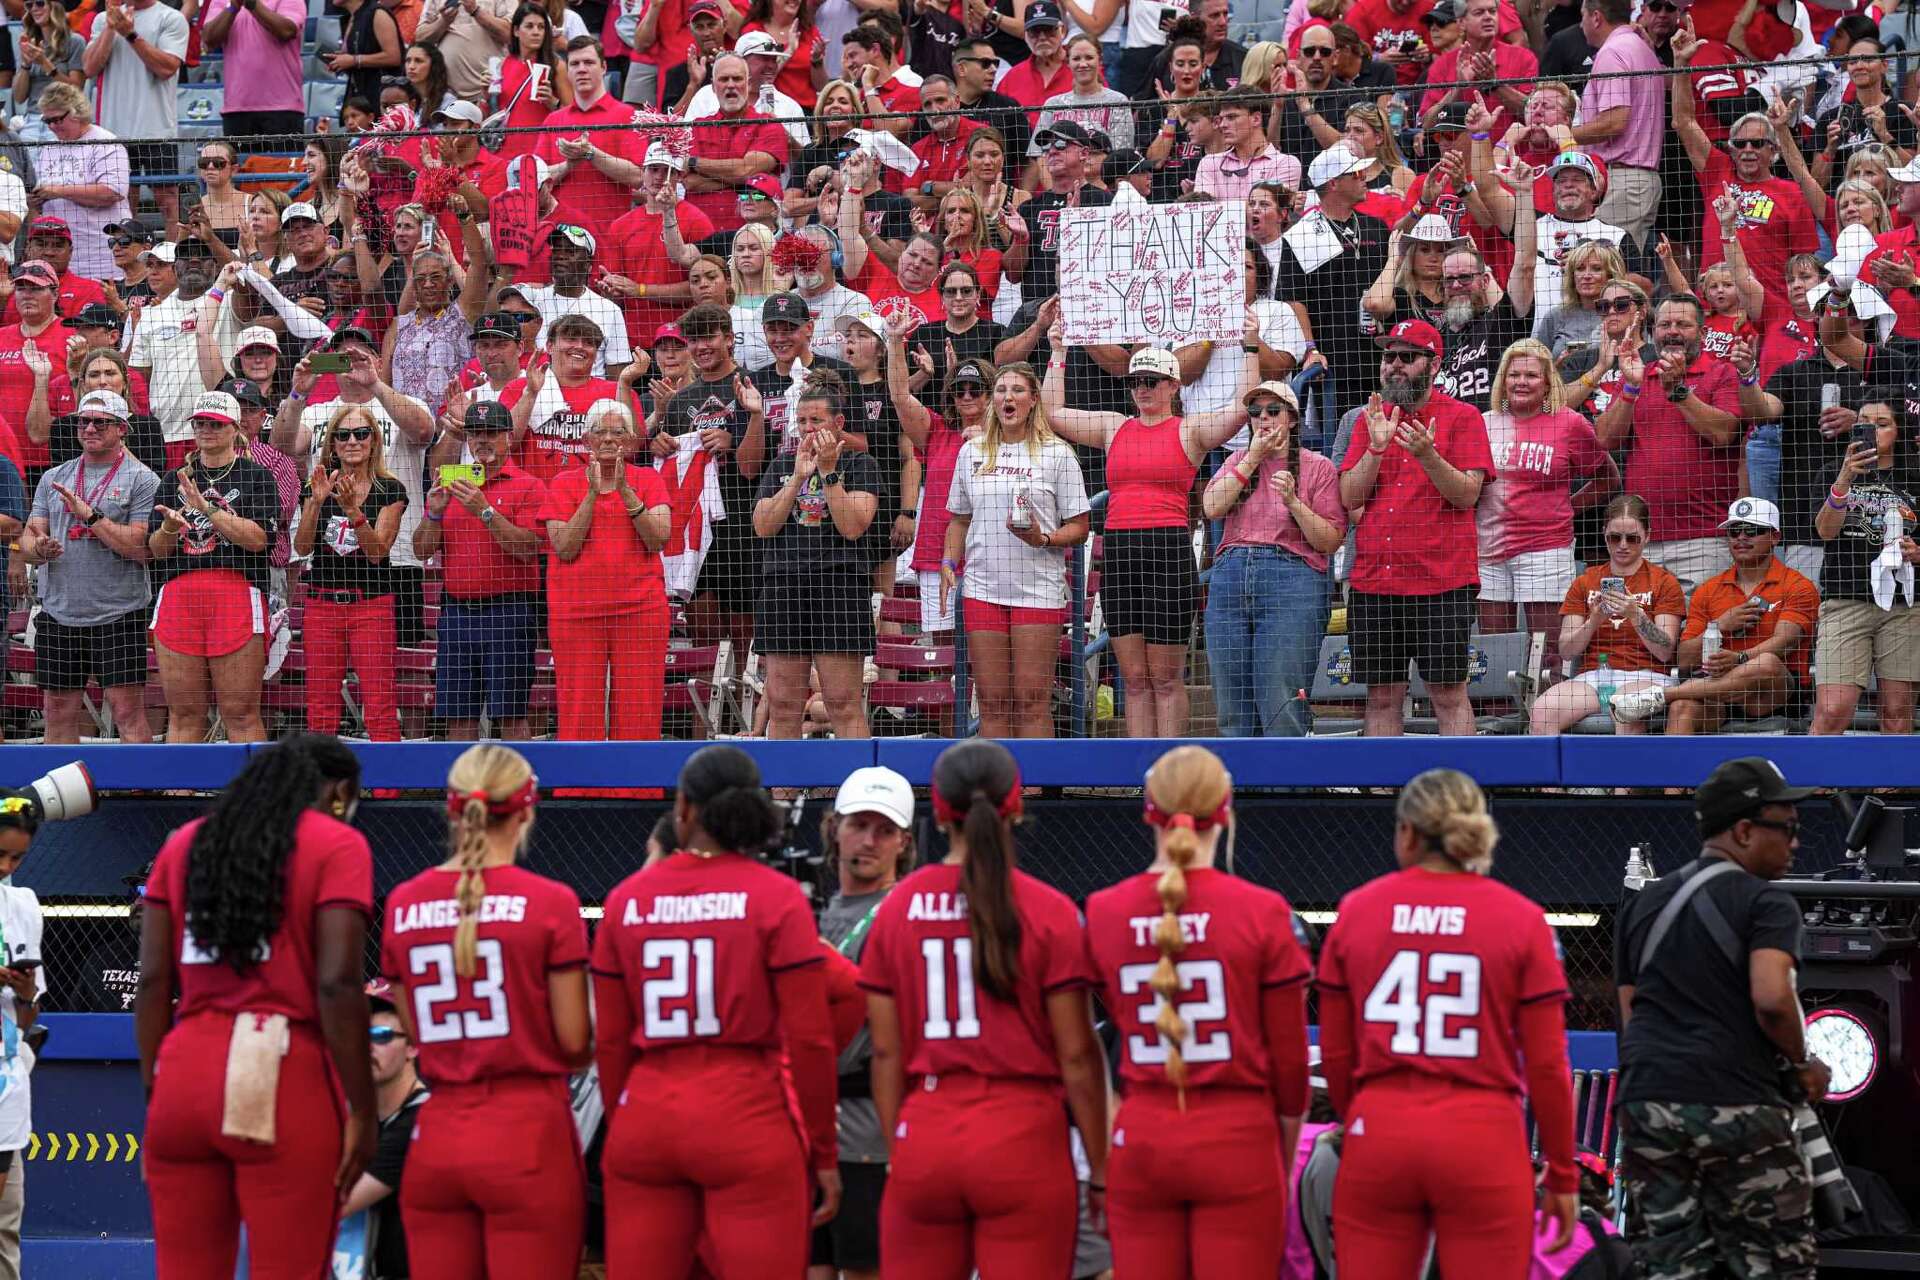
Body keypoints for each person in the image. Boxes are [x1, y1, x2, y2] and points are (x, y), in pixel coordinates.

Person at [859, 739, 1109, 1280]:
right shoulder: (1050, 910)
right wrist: (1103, 1169)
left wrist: (902, 1140)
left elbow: (885, 1050)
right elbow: (1079, 1057)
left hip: (928, 1126)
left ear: (939, 811)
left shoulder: (898, 905)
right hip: (1025, 1138)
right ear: (1015, 808)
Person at [1317, 767, 1579, 1276]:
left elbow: (1337, 1052)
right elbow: (1548, 1066)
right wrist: (1564, 1174)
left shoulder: (1357, 909)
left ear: (1408, 832)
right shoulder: (1521, 919)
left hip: (1382, 1129)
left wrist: (1363, 1117)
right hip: (1482, 1135)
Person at [592, 745, 840, 1278]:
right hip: (747, 1113)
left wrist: (624, 1120)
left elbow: (610, 1042)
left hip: (648, 1113)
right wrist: (822, 1150)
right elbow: (812, 1038)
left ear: (683, 809)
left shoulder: (626, 899)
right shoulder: (776, 896)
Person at [136, 736, 379, 1279]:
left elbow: (153, 980)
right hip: (280, 1067)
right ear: (337, 790)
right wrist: (363, 1109)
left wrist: (157, 1083)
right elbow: (338, 984)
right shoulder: (335, 844)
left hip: (184, 1067)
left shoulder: (185, 843)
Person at [1082, 744, 1311, 1276]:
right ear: (1226, 813)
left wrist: (1109, 1137)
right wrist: (1279, 1157)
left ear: (1148, 810)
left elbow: (1078, 1048)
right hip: (1238, 1137)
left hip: (1142, 1135)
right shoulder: (1264, 912)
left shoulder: (1103, 910)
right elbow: (1292, 1068)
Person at [378, 744, 589, 1279]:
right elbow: (574, 1043)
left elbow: (416, 1029)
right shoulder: (550, 902)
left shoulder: (404, 903)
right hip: (528, 1135)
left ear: (452, 810)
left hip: (439, 1132)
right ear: (526, 810)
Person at [1613, 757, 1825, 1279]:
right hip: (1737, 1100)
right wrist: (1802, 1063)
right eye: (1788, 828)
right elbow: (1773, 998)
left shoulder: (1645, 903)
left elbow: (1629, 1011)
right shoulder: (1766, 905)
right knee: (1772, 1263)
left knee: (1670, 1264)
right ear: (1745, 830)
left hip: (1648, 1102)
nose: (1796, 843)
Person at [1043, 331, 1258, 737]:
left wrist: (1248, 346)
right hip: (1121, 552)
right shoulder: (1114, 426)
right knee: (1135, 677)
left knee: (1164, 677)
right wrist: (1057, 351)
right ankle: (1138, 771)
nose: (1141, 389)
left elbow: (1241, 407)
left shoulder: (1188, 430)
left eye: (1151, 381)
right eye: (1135, 381)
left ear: (1174, 385)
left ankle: (1168, 772)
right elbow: (1054, 412)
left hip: (1167, 551)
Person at [1339, 320, 1493, 736]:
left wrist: (1427, 454)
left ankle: (1458, 796)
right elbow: (1350, 495)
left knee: (1447, 693)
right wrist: (1375, 446)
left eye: (1408, 357)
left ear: (1435, 363)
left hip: (1440, 582)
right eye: (1389, 356)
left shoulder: (1463, 417)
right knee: (1382, 695)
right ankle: (1382, 795)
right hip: (1376, 582)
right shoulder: (1368, 420)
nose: (1394, 366)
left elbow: (1466, 495)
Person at [938, 351, 1090, 738]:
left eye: (1018, 390)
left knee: (1031, 699)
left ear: (1033, 399)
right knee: (991, 700)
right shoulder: (972, 452)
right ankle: (998, 792)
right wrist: (947, 564)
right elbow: (958, 518)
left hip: (1037, 591)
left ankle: (1038, 791)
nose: (1009, 397)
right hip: (983, 589)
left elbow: (1080, 527)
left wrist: (1044, 539)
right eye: (1001, 390)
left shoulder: (1058, 454)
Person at [1201, 381, 1347, 738]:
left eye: (1272, 411)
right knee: (1232, 705)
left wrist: (1294, 503)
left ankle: (1285, 792)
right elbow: (1211, 507)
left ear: (1293, 419)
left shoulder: (1318, 466)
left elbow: (1329, 540)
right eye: (1255, 412)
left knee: (1281, 699)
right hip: (1231, 578)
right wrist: (1252, 457)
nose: (1262, 419)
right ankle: (1242, 792)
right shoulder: (1239, 459)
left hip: (1291, 580)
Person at [818, 766, 916, 1280]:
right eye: (859, 824)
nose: (869, 840)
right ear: (834, 827)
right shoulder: (811, 907)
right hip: (810, 1123)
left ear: (904, 841)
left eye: (884, 830)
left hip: (869, 1127)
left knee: (865, 1270)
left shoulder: (908, 911)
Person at [20, 389, 159, 744]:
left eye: (101, 422)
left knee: (126, 710)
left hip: (119, 613)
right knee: (57, 710)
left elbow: (141, 549)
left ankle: (142, 792)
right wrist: (40, 547)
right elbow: (28, 538)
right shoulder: (54, 476)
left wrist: (91, 516)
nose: (90, 428)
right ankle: (60, 794)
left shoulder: (143, 479)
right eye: (84, 421)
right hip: (60, 611)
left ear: (122, 428)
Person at [1612, 498, 1821, 733]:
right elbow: (1685, 660)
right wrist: (1719, 625)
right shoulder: (1709, 589)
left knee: (1767, 662)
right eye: (1734, 531)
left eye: (1752, 530)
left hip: (1771, 696)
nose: (1741, 538)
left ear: (1775, 537)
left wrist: (1739, 658)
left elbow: (1785, 643)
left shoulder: (1798, 586)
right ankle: (1673, 768)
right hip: (1715, 694)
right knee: (1683, 707)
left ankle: (1663, 695)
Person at [145, 391, 280, 744]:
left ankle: (256, 798)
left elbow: (259, 540)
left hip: (234, 592)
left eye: (215, 424)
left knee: (240, 713)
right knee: (185, 713)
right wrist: (170, 528)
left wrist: (206, 508)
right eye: (200, 423)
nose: (206, 429)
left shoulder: (257, 478)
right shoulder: (173, 479)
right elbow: (156, 551)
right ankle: (179, 793)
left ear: (235, 429)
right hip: (180, 593)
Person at [752, 370, 878, 738]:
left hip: (838, 587)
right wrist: (796, 477)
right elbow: (763, 525)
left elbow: (853, 526)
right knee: (783, 703)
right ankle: (783, 791)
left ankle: (855, 792)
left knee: (841, 702)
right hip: (783, 587)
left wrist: (827, 473)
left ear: (838, 423)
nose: (808, 429)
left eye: (816, 421)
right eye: (802, 421)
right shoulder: (781, 466)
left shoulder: (859, 465)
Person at [1594, 294, 1743, 595]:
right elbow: (1605, 439)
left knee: (1699, 637)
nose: (1672, 331)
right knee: (1639, 635)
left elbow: (1723, 433)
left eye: (1682, 324)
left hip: (1703, 540)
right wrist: (1631, 388)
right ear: (1653, 333)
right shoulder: (1638, 376)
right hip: (1641, 542)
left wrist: (1678, 391)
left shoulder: (1722, 373)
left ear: (1702, 333)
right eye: (1664, 325)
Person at [414, 400, 545, 742]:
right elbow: (421, 550)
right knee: (458, 718)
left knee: (511, 716)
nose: (482, 441)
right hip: (457, 613)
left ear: (508, 436)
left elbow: (529, 547)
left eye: (491, 433)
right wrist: (434, 513)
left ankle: (519, 793)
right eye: (476, 433)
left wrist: (484, 510)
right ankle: (464, 793)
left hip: (509, 612)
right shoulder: (451, 483)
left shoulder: (529, 485)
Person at [542, 399, 673, 741]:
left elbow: (659, 538)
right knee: (578, 704)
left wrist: (626, 492)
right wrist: (591, 493)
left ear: (631, 442)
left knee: (640, 702)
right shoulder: (563, 483)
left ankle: (638, 788)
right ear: (586, 440)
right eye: (600, 431)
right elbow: (565, 547)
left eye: (619, 432)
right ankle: (578, 785)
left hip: (640, 609)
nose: (609, 439)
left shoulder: (648, 480)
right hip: (576, 612)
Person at [1475, 339, 1617, 642]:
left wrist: (1568, 507)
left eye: (1531, 375)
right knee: (1495, 647)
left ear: (1547, 382)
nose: (1521, 382)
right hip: (1488, 551)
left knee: (1547, 651)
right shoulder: (1483, 424)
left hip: (1545, 549)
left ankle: (1549, 691)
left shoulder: (1569, 423)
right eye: (1514, 375)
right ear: (1503, 380)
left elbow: (1608, 479)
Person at [294, 404, 409, 741]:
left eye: (361, 434)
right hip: (321, 606)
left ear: (374, 441)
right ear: (332, 443)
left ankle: (388, 787)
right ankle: (322, 790)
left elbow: (377, 552)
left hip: (370, 606)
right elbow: (302, 548)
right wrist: (315, 502)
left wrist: (352, 511)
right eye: (343, 435)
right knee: (320, 707)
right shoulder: (316, 485)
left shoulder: (391, 490)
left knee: (379, 704)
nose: (352, 441)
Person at [663, 303, 769, 663]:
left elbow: (757, 466)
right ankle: (705, 720)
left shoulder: (755, 384)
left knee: (747, 641)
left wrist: (732, 441)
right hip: (697, 532)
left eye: (709, 336)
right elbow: (672, 467)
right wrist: (660, 445)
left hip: (744, 524)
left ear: (729, 339)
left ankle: (748, 714)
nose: (700, 346)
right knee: (704, 639)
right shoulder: (680, 401)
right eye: (693, 339)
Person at [1529, 493, 1685, 735]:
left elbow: (1665, 651)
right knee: (1542, 710)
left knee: (1626, 707)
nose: (1623, 545)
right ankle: (1548, 774)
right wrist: (1593, 621)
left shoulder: (1664, 582)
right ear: (1604, 535)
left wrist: (1636, 615)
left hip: (1649, 676)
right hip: (1593, 677)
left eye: (1632, 538)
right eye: (1615, 537)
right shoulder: (1585, 581)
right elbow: (1567, 651)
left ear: (1647, 537)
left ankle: (1624, 773)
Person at [1812, 402, 1920, 733]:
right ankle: (1813, 784)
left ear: (1899, 432)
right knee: (1832, 710)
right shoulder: (1833, 470)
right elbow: (1825, 531)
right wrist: (1845, 478)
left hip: (1905, 606)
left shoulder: (1915, 475)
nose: (1872, 430)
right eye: (1863, 423)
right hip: (1845, 600)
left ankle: (1889, 786)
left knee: (1897, 713)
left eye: (1882, 423)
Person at [340, 981, 429, 1280]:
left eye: (381, 1035)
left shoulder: (423, 1118)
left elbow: (336, 1204)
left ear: (413, 1046)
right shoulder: (353, 1112)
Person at [79, 0, 188, 235]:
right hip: (113, 133)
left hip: (158, 129)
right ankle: (126, 261)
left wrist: (130, 34)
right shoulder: (101, 20)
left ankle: (175, 261)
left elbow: (167, 67)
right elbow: (89, 68)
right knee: (122, 203)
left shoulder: (171, 18)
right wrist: (110, 27)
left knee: (168, 201)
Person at [0, 791, 48, 1279]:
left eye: (18, 858)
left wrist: (27, 992)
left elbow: (26, 1019)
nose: (8, 867)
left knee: (4, 1228)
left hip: (6, 1092)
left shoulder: (24, 906)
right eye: (0, 855)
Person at [1573, 0, 1661, 246]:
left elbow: (1615, 120)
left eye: (1583, 16)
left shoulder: (1613, 52)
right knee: (1621, 270)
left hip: (1622, 180)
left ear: (1597, 17)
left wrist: (1566, 135)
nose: (1581, 24)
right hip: (1633, 180)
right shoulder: (1641, 47)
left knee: (1606, 268)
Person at [202, 0, 307, 142]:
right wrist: (233, 7)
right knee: (240, 164)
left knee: (284, 163)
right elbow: (208, 39)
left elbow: (286, 30)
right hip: (237, 108)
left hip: (283, 109)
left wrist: (253, 5)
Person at [417, 0, 516, 103]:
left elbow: (511, 34)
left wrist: (476, 11)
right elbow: (420, 39)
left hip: (490, 92)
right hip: (446, 96)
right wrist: (443, 21)